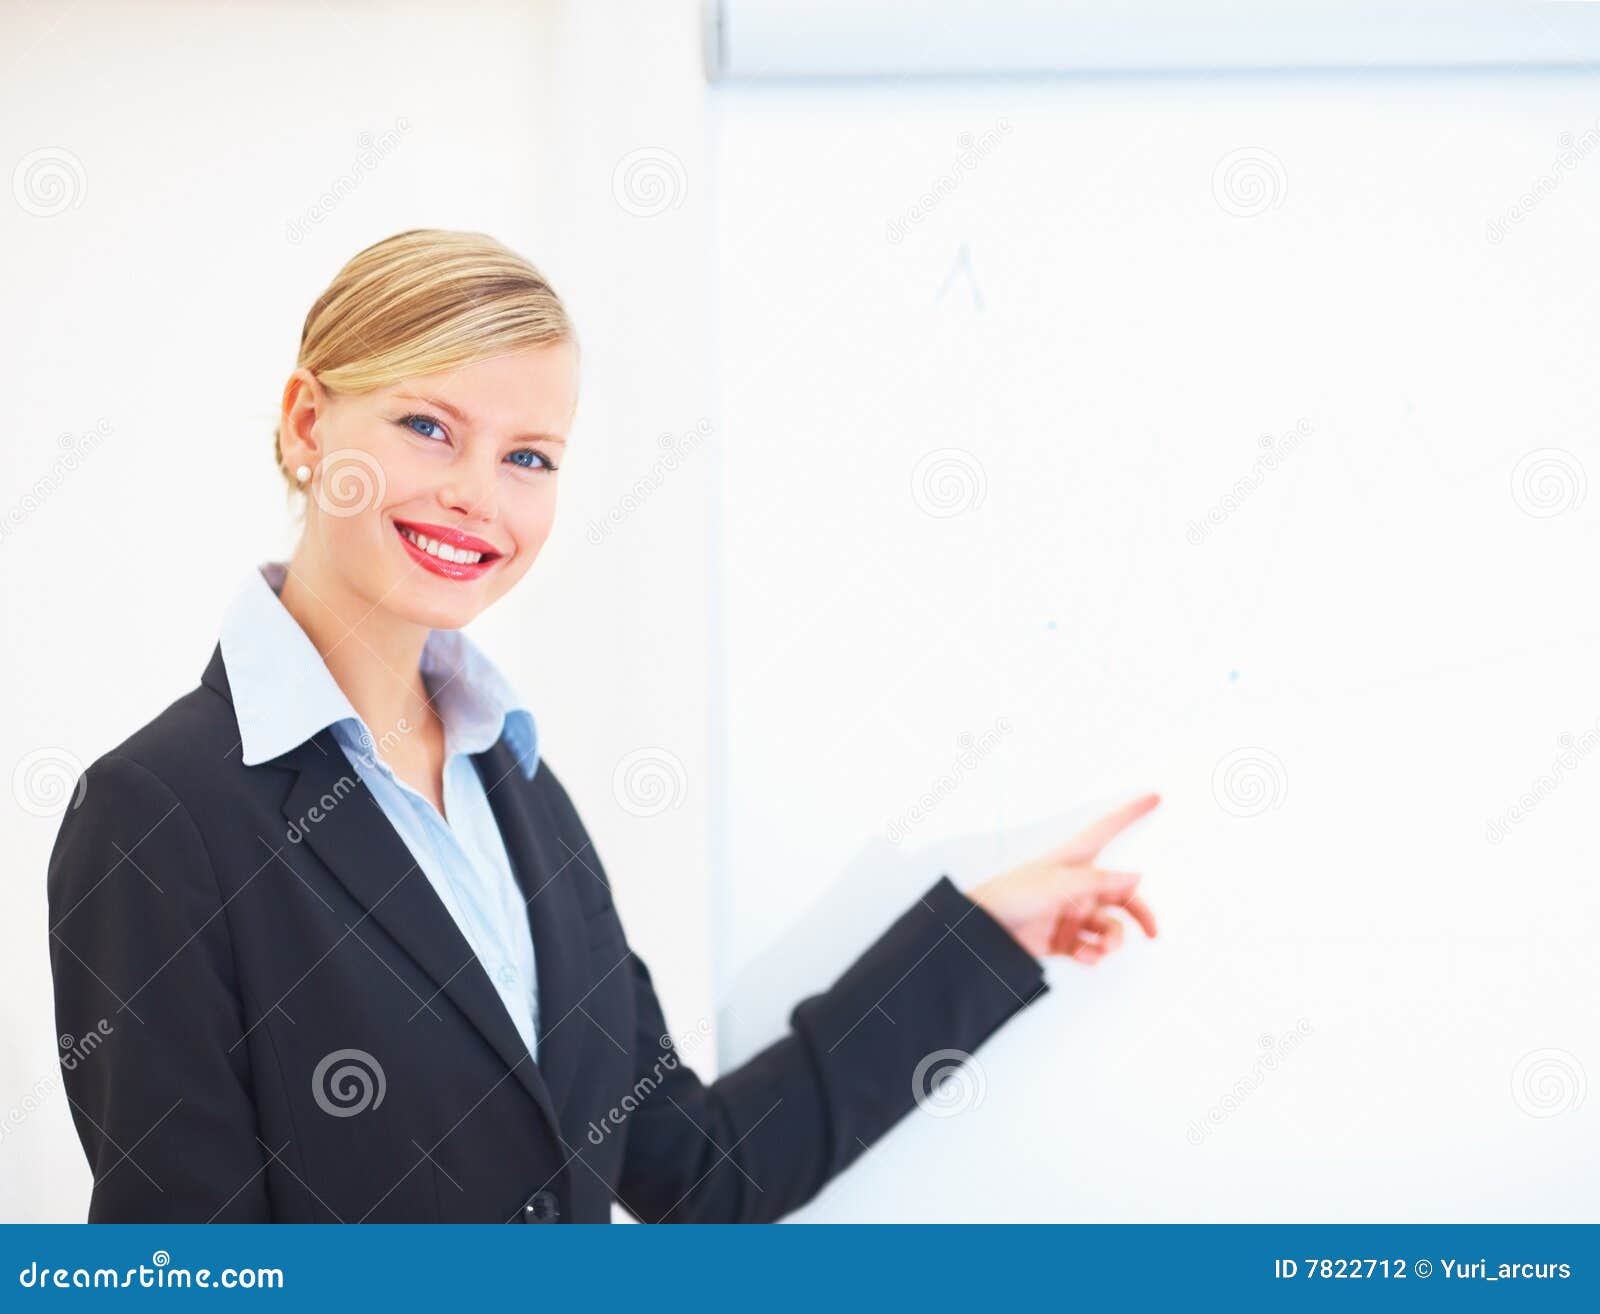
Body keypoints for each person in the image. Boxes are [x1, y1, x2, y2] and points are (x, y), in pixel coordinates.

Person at [46, 228, 1160, 1223]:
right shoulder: (161, 813)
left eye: (528, 457)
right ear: (306, 422)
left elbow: (700, 1174)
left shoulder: (516, 790)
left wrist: (981, 938)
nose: (480, 495)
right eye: (429, 427)